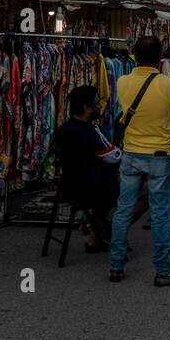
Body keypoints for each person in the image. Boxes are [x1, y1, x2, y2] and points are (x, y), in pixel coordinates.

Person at [108, 35, 170, 286]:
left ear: (133, 54)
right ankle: (163, 270)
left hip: (131, 153)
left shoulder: (122, 81)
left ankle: (116, 265)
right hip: (160, 155)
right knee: (160, 213)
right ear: (161, 54)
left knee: (123, 210)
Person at [54, 85, 117, 253]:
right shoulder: (90, 132)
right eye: (96, 103)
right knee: (141, 192)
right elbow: (114, 156)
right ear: (87, 108)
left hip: (69, 187)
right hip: (92, 190)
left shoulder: (63, 129)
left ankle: (96, 232)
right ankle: (109, 233)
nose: (100, 106)